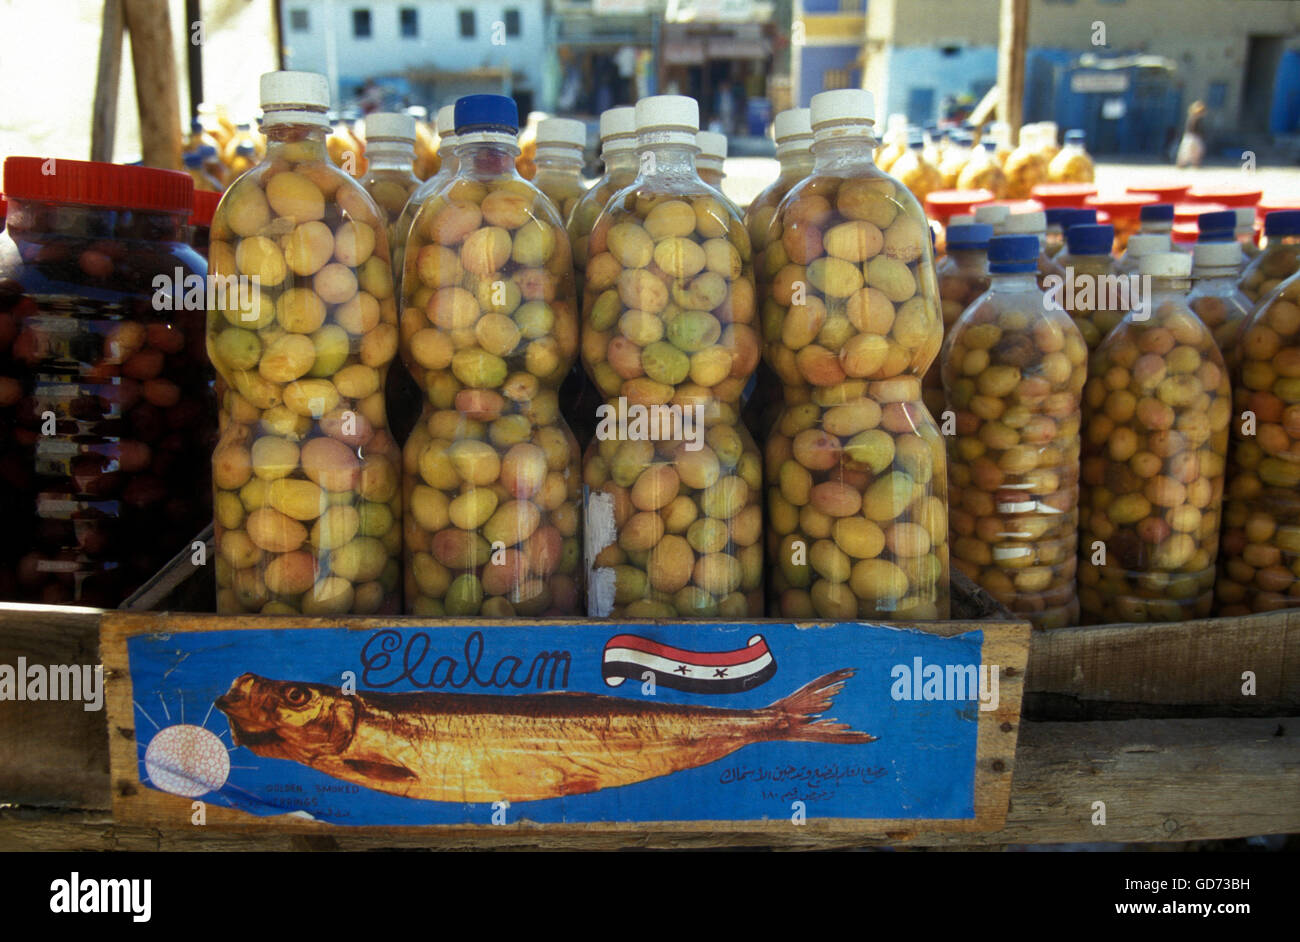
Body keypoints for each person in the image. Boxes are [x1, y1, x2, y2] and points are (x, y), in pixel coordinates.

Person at [1176, 100, 1207, 168]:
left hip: (1194, 137)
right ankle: (1182, 163)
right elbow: (1192, 129)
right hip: (1192, 136)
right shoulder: (1193, 118)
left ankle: (1195, 163)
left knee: (1196, 151)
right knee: (1187, 150)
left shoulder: (1197, 118)